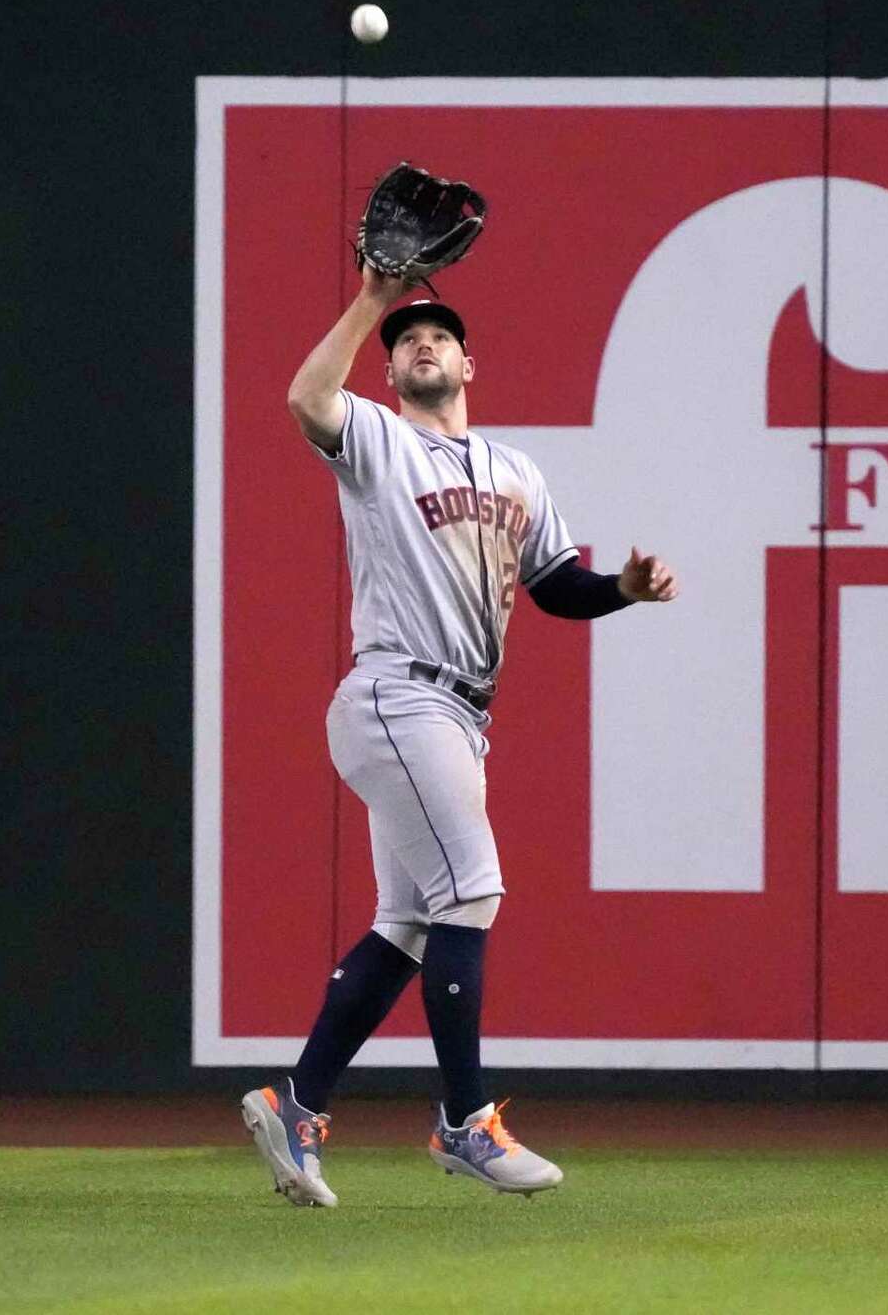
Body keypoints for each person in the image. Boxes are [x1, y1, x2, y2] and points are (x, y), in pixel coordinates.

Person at [240, 264, 678, 1206]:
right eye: (406, 341)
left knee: (407, 924)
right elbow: (307, 398)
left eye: (437, 335)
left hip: (459, 715)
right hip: (399, 694)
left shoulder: (517, 469)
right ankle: (464, 1122)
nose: (422, 344)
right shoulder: (379, 443)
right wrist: (373, 298)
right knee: (471, 888)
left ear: (468, 363)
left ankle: (296, 1102)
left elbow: (556, 584)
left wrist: (621, 590)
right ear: (391, 373)